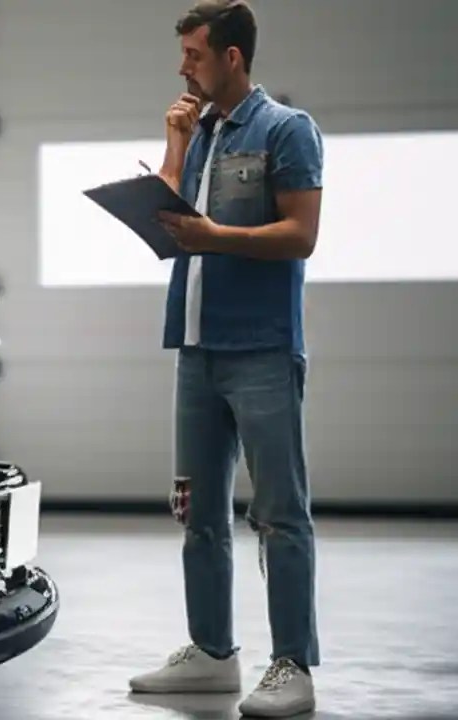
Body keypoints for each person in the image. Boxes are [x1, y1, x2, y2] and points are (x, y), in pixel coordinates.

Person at [128, 1, 324, 718]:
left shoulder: (285, 130)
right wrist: (174, 141)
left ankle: (292, 665)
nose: (183, 66)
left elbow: (300, 234)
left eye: (195, 54)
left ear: (232, 58)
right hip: (195, 347)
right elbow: (175, 225)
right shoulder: (202, 130)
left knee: (280, 514)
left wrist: (213, 235)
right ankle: (213, 654)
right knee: (199, 513)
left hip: (262, 348)